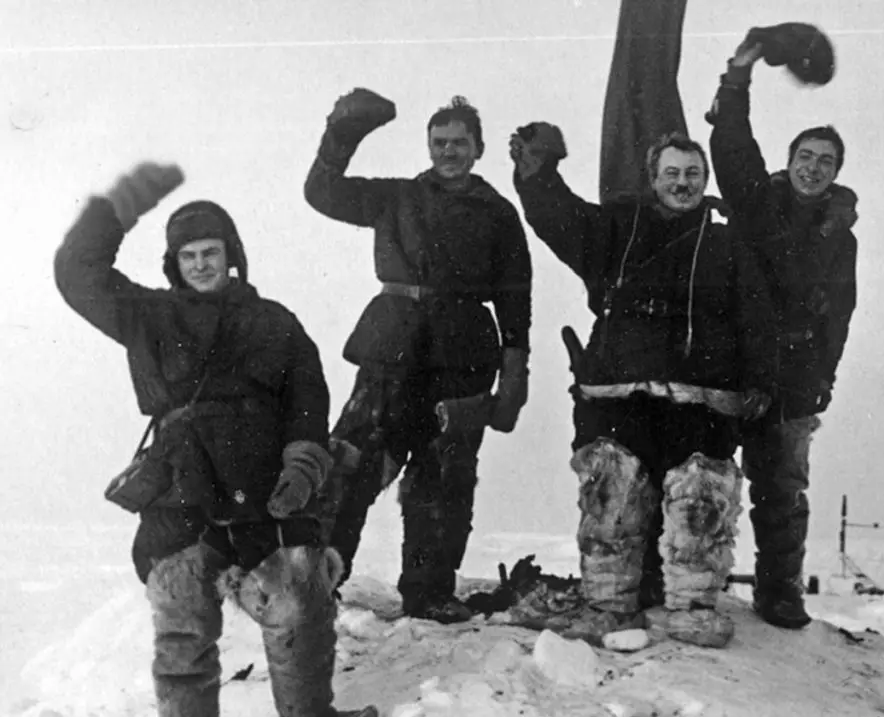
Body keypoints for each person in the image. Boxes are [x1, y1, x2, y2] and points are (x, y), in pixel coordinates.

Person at [54, 163, 377, 717]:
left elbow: (307, 404)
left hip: (267, 497)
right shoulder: (149, 316)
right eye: (189, 255)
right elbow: (77, 273)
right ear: (174, 264)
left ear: (232, 256)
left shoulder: (277, 323)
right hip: (181, 500)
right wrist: (125, 201)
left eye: (211, 251)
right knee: (183, 640)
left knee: (301, 621)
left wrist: (302, 467)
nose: (201, 263)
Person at [508, 123, 778, 647]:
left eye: (693, 173)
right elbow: (560, 219)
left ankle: (692, 609)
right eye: (672, 173)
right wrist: (537, 173)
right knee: (612, 497)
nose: (683, 183)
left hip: (701, 401)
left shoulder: (727, 242)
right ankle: (607, 606)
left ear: (706, 179)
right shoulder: (619, 228)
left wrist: (762, 377)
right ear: (652, 178)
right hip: (620, 395)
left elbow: (758, 315)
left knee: (700, 503)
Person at [303, 90, 532, 624]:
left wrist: (513, 380)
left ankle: (429, 593)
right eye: (439, 142)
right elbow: (322, 191)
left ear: (477, 148)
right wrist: (344, 132)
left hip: (462, 356)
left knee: (444, 477)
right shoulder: (396, 197)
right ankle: (317, 583)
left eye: (459, 142)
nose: (448, 151)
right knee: (349, 465)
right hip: (391, 348)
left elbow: (517, 300)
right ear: (427, 145)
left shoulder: (498, 213)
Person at [707, 35, 859, 630]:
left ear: (835, 172)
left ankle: (780, 592)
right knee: (706, 481)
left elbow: (839, 316)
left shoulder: (838, 239)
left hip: (793, 378)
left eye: (826, 161)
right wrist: (737, 77)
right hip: (732, 363)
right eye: (806, 155)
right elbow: (731, 141)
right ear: (789, 159)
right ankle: (694, 581)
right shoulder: (756, 204)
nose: (813, 167)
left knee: (782, 492)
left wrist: (823, 378)